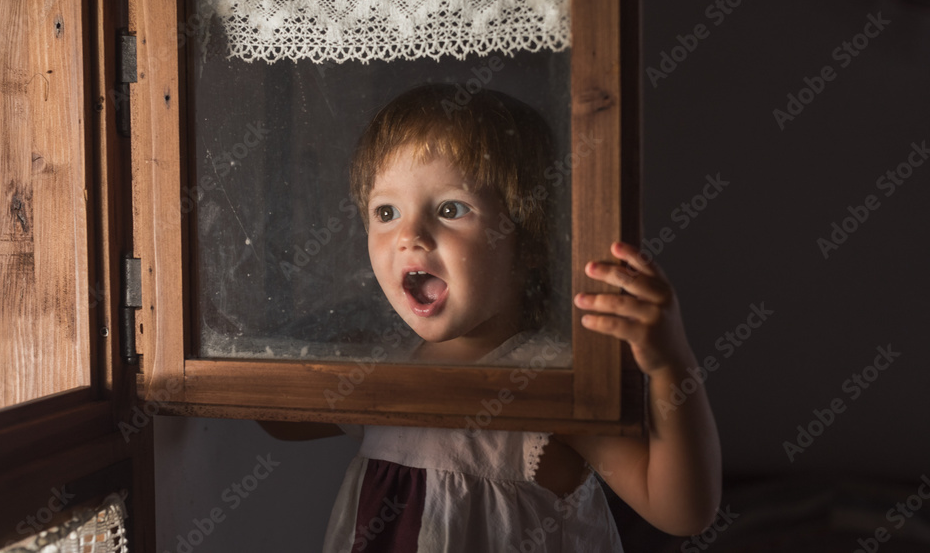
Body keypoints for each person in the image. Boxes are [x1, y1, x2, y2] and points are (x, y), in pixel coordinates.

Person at [262, 84, 722, 552]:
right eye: (386, 211)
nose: (410, 236)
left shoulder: (548, 379)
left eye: (450, 209)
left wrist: (671, 366)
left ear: (530, 244)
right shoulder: (380, 366)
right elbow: (280, 420)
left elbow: (682, 511)